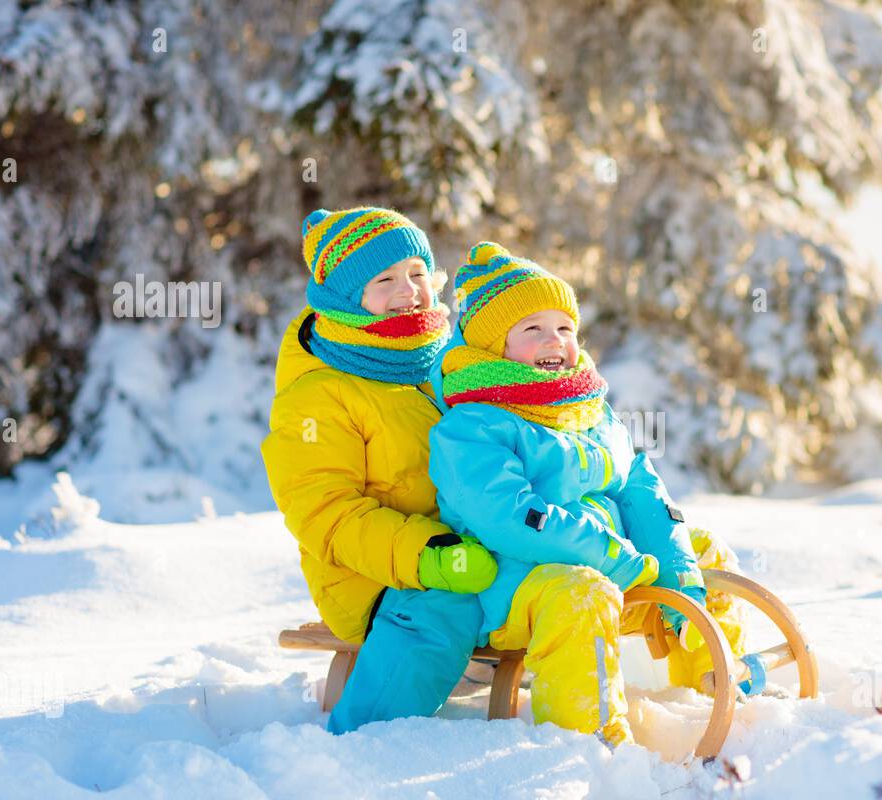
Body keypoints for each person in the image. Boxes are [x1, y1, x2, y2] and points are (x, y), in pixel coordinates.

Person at [428, 242, 747, 748]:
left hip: (621, 571)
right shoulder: (473, 426)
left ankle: (716, 677)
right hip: (523, 589)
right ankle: (588, 741)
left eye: (564, 328)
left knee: (702, 550)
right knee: (583, 593)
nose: (554, 340)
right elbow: (509, 516)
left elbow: (640, 491)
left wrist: (675, 573)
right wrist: (614, 557)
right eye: (532, 329)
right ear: (493, 347)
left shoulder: (592, 412)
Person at [261, 207, 499, 734]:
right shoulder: (320, 392)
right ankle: (365, 740)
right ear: (347, 298)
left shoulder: (448, 359)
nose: (408, 290)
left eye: (417, 273)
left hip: (476, 547)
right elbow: (326, 514)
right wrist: (429, 556)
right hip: (371, 576)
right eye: (384, 279)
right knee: (445, 611)